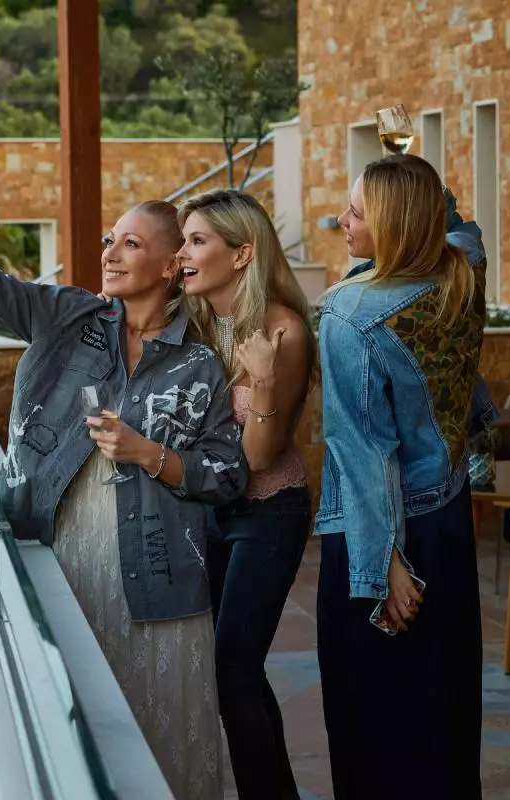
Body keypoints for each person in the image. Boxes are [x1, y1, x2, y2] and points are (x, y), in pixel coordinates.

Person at [0, 157, 247, 799]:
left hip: (157, 577)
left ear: (170, 267)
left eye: (130, 243)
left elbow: (227, 475)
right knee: (83, 734)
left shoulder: (201, 362)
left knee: (164, 743)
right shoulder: (69, 319)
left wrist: (146, 453)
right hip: (62, 555)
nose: (109, 252)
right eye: (110, 239)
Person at [315, 154, 487, 799]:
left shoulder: (350, 313)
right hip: (445, 523)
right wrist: (406, 156)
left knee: (375, 719)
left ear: (395, 224)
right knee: (441, 706)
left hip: (382, 538)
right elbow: (459, 224)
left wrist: (380, 565)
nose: (343, 219)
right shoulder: (463, 274)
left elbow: (361, 452)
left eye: (357, 211)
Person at [174, 188, 317, 800]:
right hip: (213, 508)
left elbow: (260, 456)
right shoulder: (203, 320)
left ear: (242, 254)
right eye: (182, 239)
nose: (182, 253)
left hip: (268, 512)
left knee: (234, 669)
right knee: (222, 668)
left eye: (197, 240)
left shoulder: (282, 329)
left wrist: (259, 380)